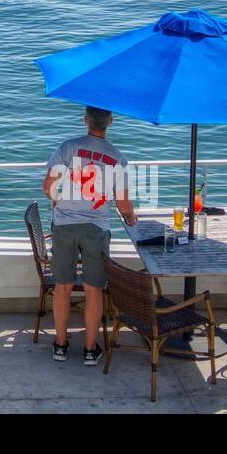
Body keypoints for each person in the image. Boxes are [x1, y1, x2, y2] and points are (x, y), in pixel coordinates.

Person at [43, 105, 137, 367]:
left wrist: (57, 200)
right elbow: (123, 204)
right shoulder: (118, 159)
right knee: (93, 289)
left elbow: (47, 187)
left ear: (85, 120)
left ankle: (60, 345)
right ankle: (89, 350)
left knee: (62, 286)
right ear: (111, 122)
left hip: (64, 226)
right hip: (96, 228)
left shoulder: (68, 148)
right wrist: (131, 218)